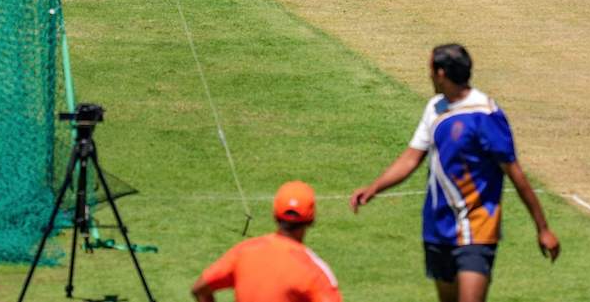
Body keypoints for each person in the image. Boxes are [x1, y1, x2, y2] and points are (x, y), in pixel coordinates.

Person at [350, 44, 559, 302]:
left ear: (441, 74)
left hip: (478, 227)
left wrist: (543, 228)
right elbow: (411, 158)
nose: (427, 76)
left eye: (430, 70)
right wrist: (374, 188)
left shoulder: (486, 114)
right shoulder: (435, 108)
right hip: (438, 227)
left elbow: (515, 172)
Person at [191, 181, 341, 302]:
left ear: (274, 215)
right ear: (311, 220)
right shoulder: (313, 271)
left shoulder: (245, 251)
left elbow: (200, 289)